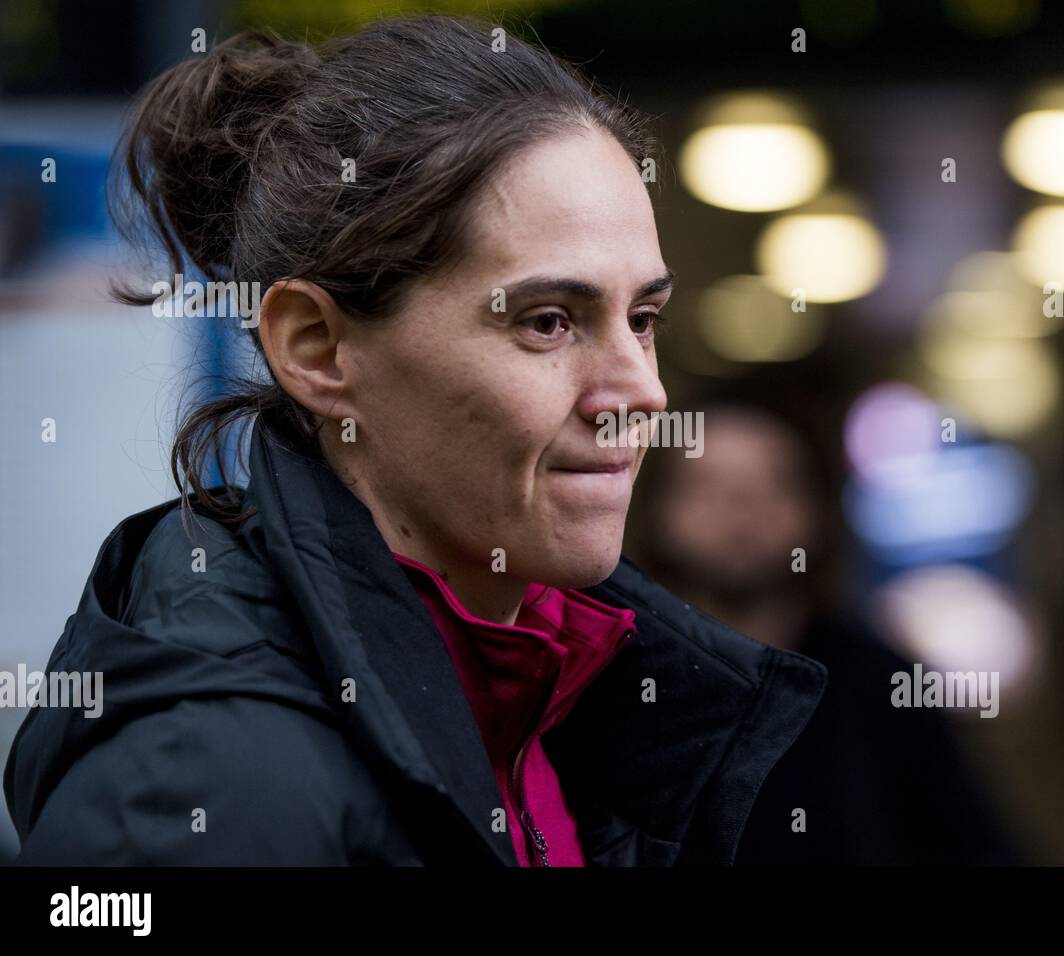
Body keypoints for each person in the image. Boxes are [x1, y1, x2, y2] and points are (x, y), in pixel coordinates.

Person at [2, 16, 827, 866]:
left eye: (643, 318)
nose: (642, 393)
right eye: (548, 322)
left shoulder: (565, 695)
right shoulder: (210, 782)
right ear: (317, 349)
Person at [635, 399, 1020, 864]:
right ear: (657, 509)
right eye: (707, 486)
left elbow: (980, 848)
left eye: (771, 486)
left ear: (817, 510)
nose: (741, 511)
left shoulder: (882, 682)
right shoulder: (616, 683)